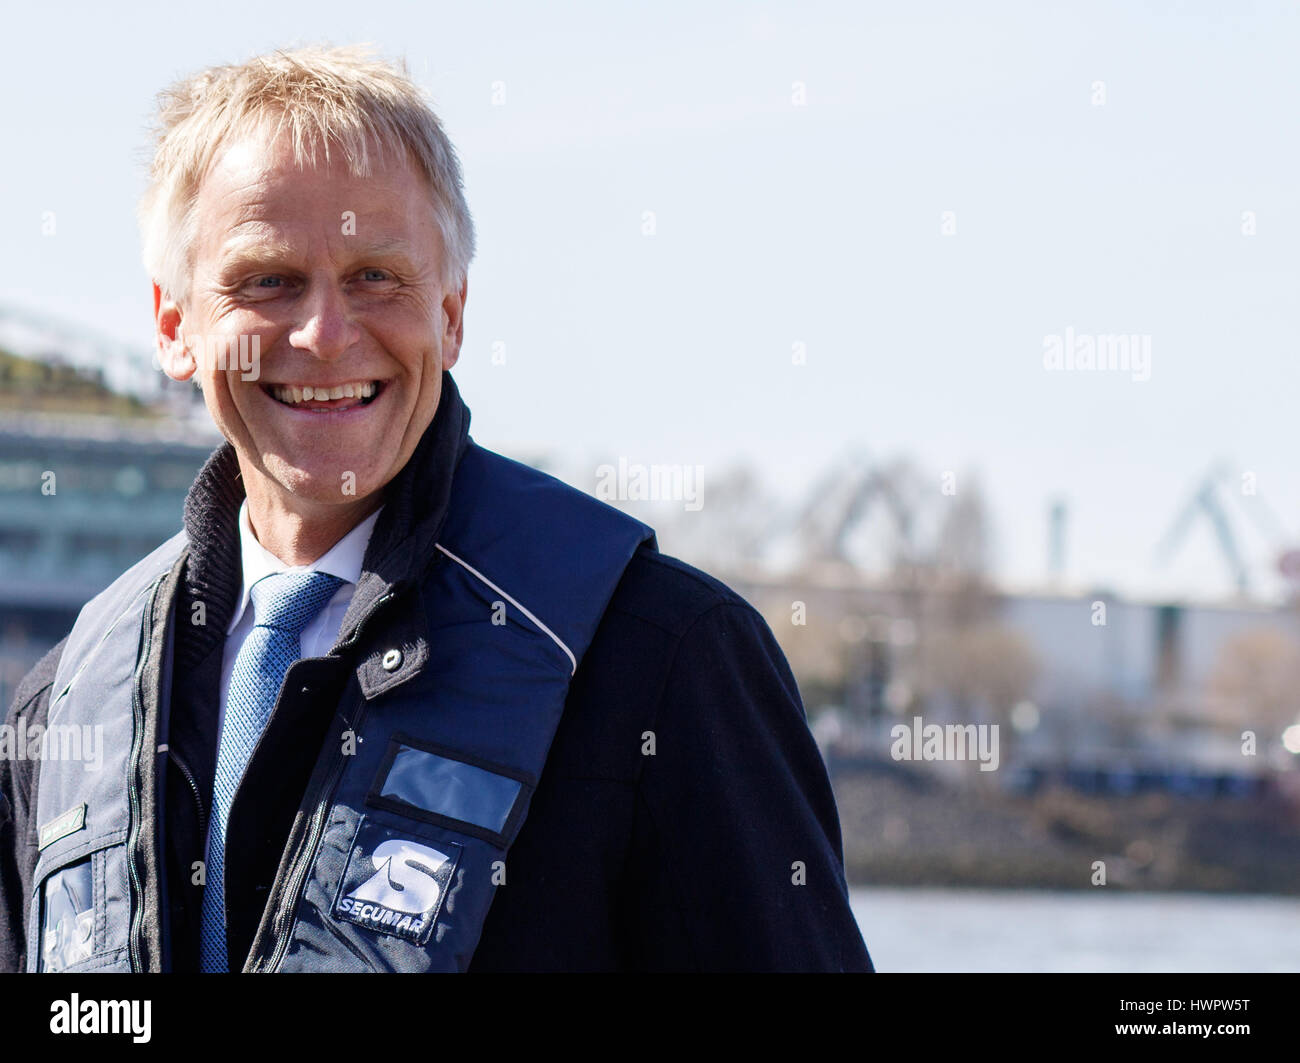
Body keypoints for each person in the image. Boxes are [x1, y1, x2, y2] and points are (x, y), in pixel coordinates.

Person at [0, 44, 872, 973]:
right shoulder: (64, 712)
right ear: (175, 326)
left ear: (452, 313)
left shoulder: (661, 658)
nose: (326, 335)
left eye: (378, 275)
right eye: (267, 281)